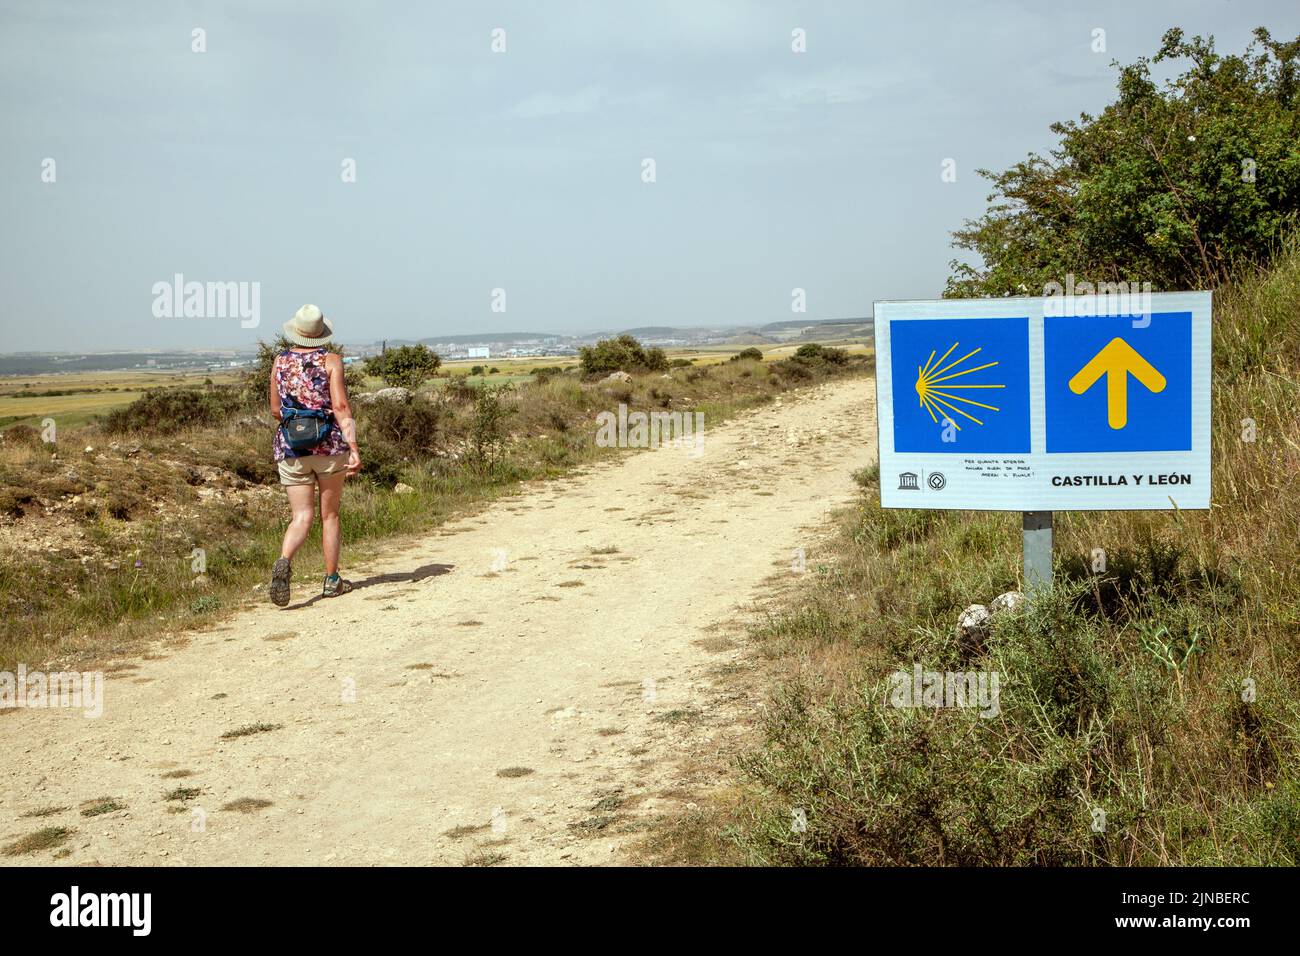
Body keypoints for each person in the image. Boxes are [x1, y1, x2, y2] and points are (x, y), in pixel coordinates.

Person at [267, 304, 361, 606]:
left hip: (291, 447)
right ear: (321, 334)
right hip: (328, 446)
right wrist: (354, 448)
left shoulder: (279, 362)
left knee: (301, 516)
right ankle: (332, 581)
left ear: (295, 331)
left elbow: (274, 410)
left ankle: (284, 560)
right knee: (329, 515)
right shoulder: (331, 360)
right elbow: (341, 408)